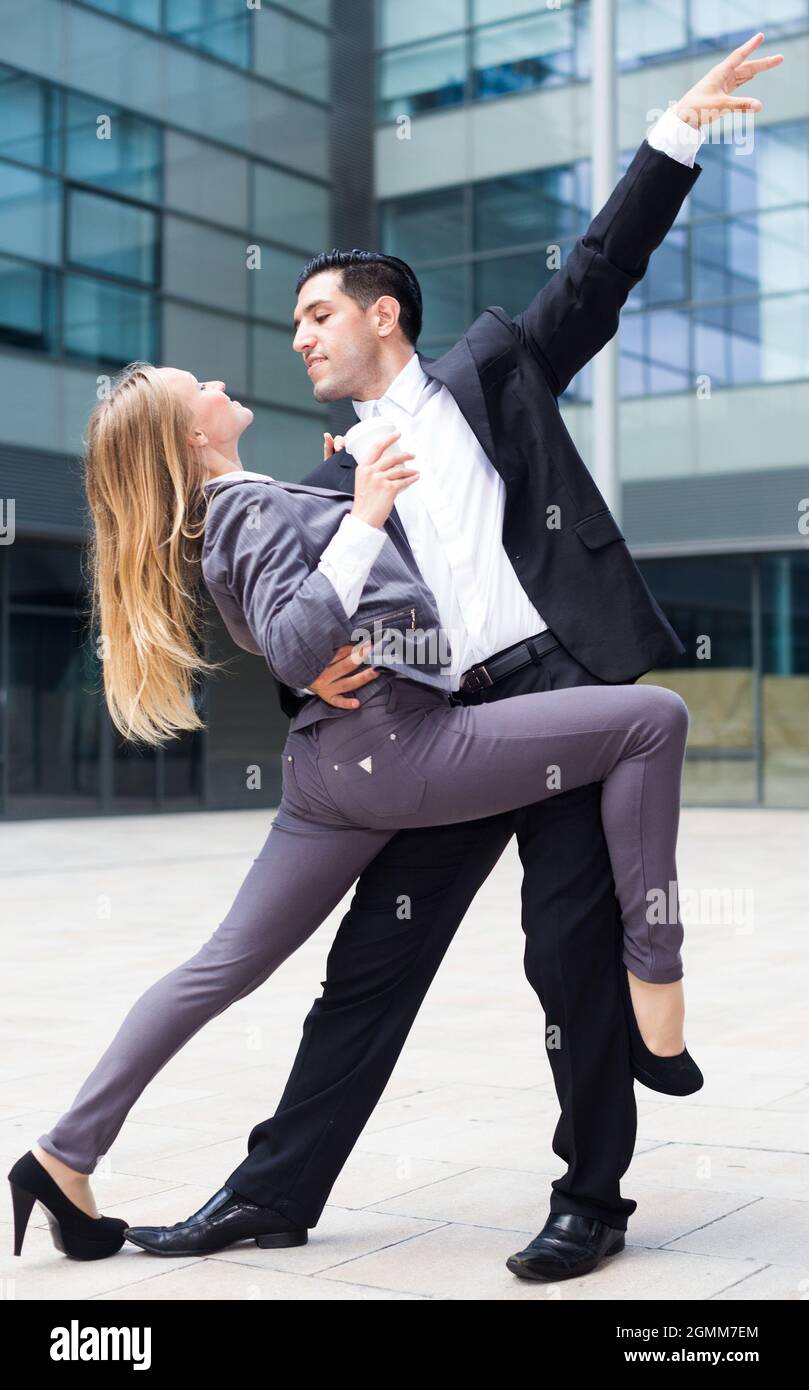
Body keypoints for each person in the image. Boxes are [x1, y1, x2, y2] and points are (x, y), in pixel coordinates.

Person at [118, 34, 781, 1284]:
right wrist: (305, 678)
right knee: (370, 963)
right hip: (436, 733)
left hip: (561, 694)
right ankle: (272, 1192)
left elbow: (601, 268)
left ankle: (590, 1195)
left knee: (562, 946)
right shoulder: (325, 479)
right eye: (294, 322)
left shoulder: (496, 369)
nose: (301, 339)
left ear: (383, 314)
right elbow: (287, 615)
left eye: (317, 314)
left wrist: (676, 131)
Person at [11, 358, 695, 1273]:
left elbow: (344, 628)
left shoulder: (248, 503)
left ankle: (62, 1156)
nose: (220, 378)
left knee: (220, 965)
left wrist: (357, 513)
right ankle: (654, 967)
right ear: (191, 434)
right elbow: (296, 644)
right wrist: (364, 509)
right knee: (653, 719)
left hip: (328, 773)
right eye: (199, 383)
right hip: (399, 753)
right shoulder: (246, 511)